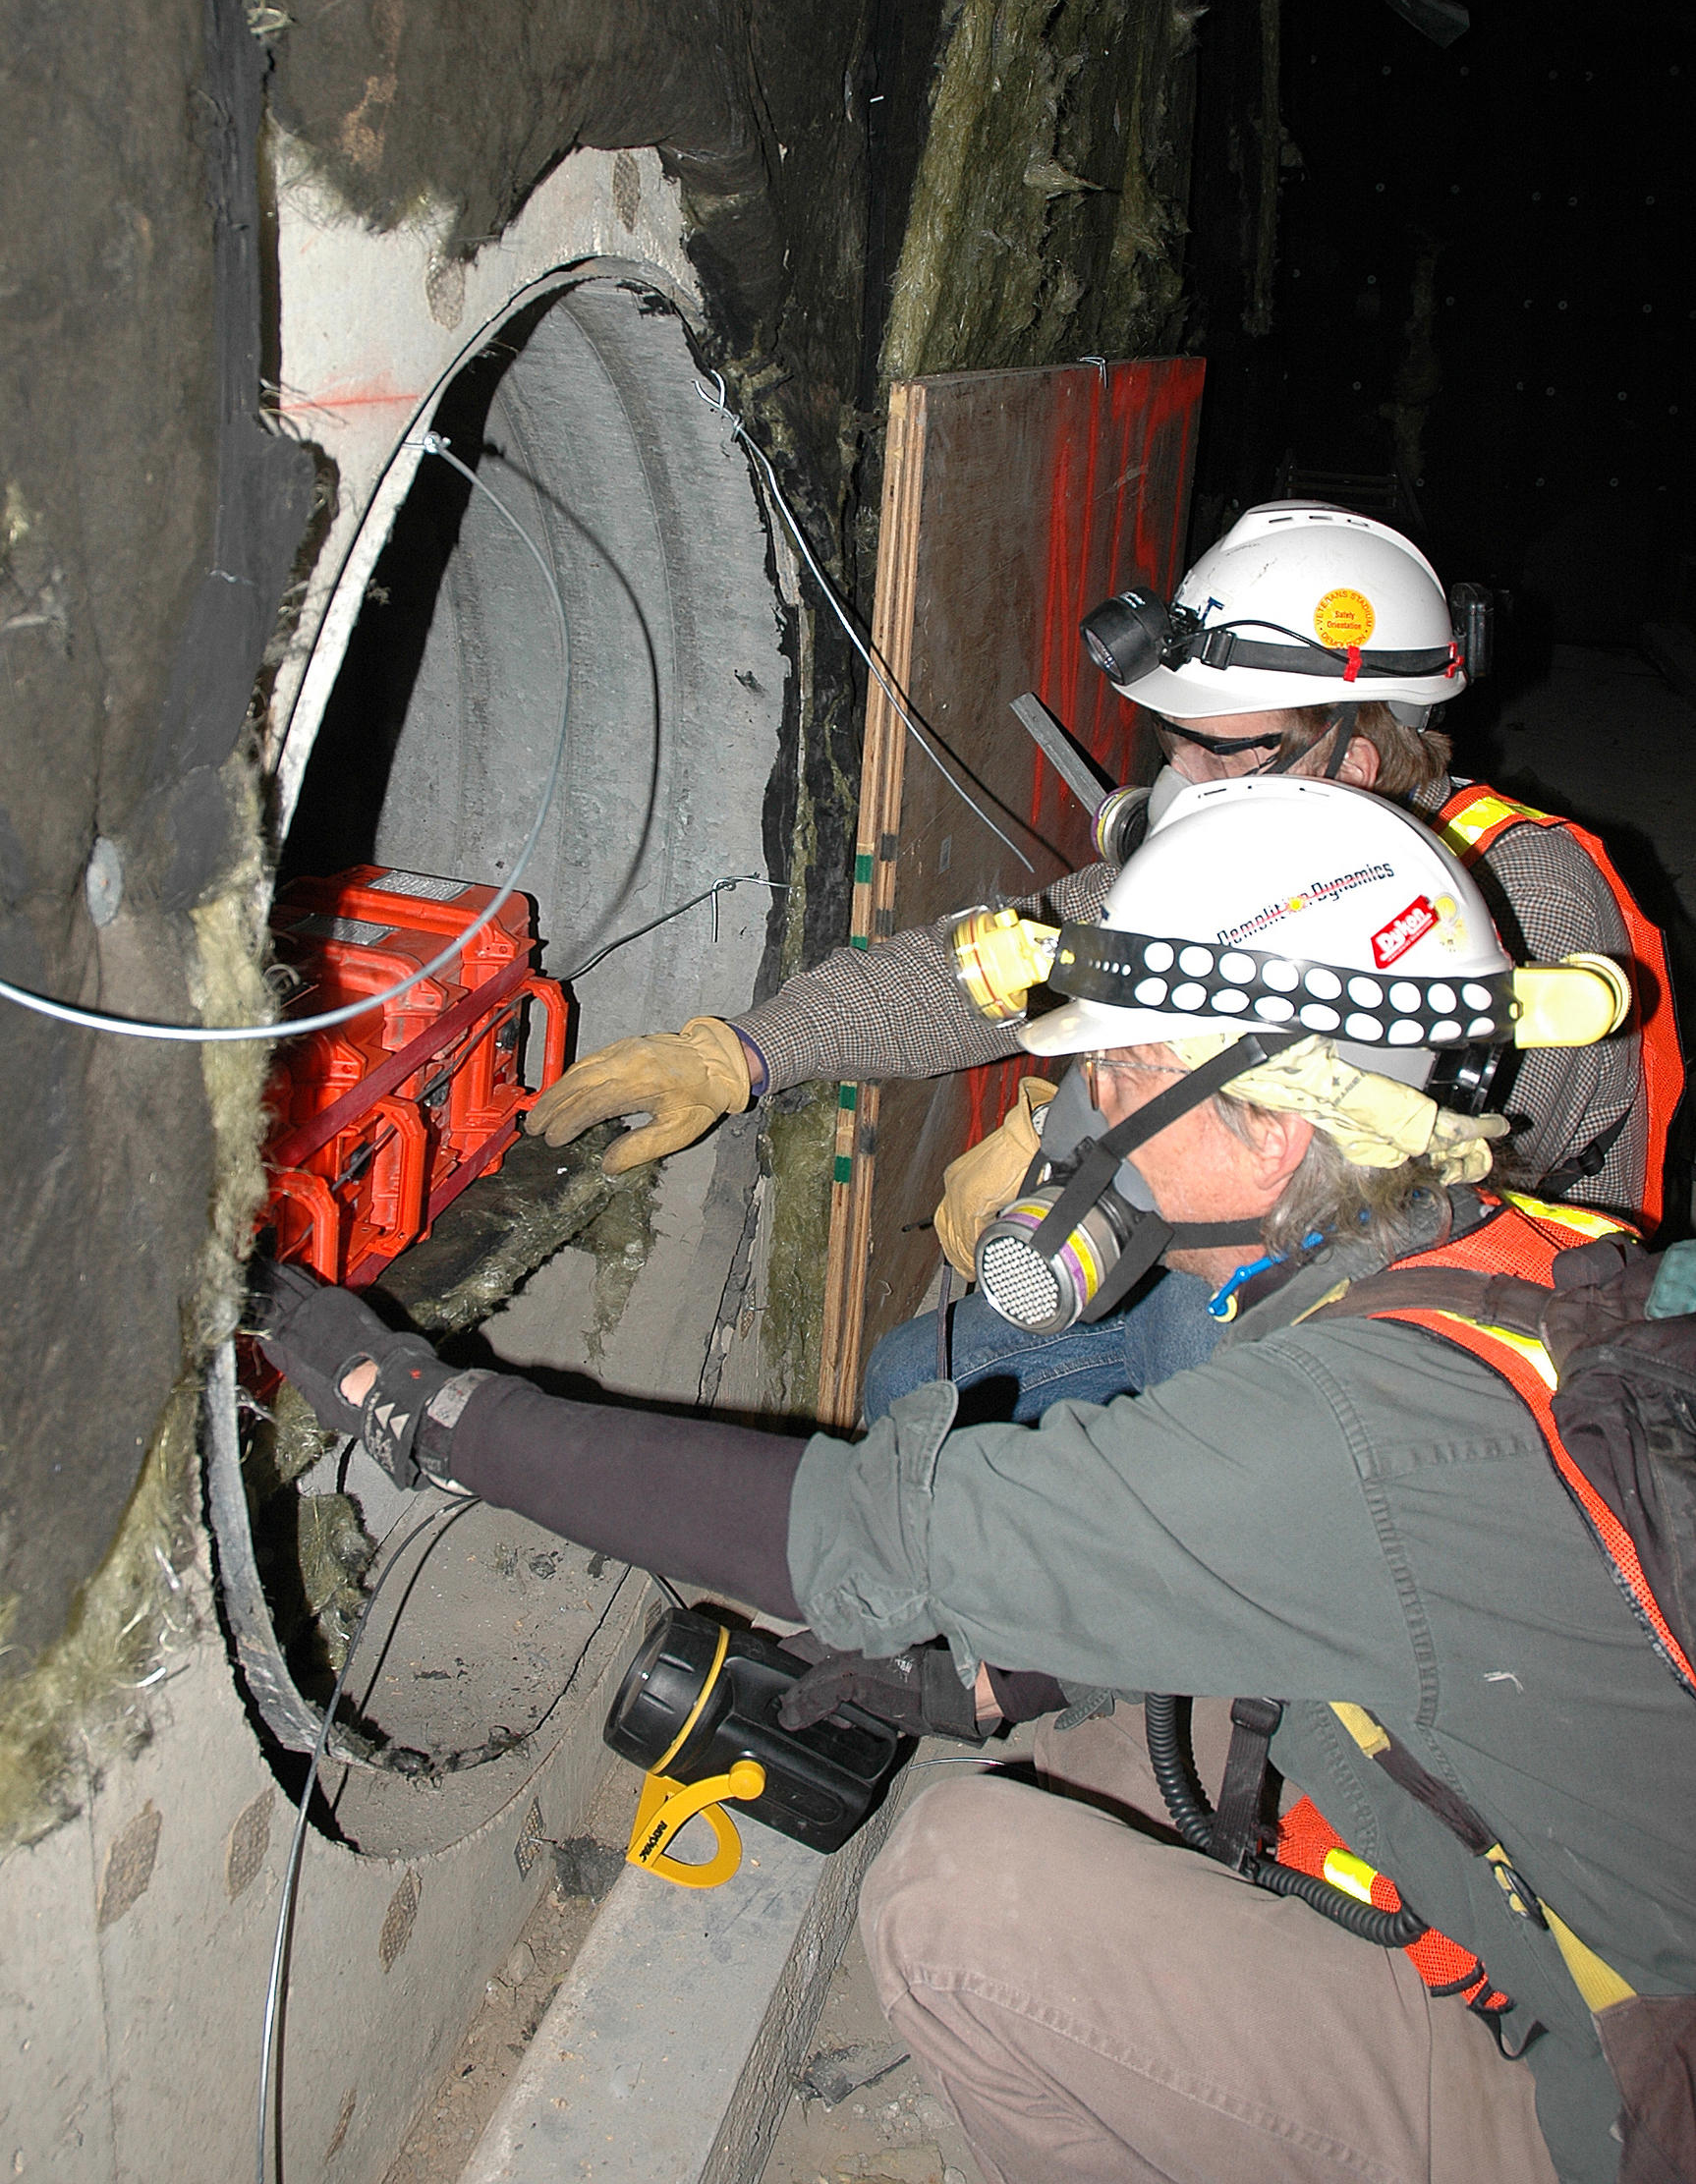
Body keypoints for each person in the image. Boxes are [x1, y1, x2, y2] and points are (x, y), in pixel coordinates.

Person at [254, 779, 1693, 2184]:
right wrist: (978, 1686)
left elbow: (869, 1532)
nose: (1080, 1120)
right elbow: (1299, 1576)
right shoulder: (1490, 1264)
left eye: (1120, 1073)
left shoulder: (1352, 1430)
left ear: (1279, 1126)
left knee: (961, 1892)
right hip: (1577, 1860)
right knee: (1090, 1744)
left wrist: (419, 1405)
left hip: (1630, 2103)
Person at [525, 502, 1675, 1428]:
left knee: (1143, 1495)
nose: (1180, 783)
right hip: (1191, 1229)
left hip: (1403, 1315)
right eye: (1171, 740)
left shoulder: (1523, 906)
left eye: (1220, 750)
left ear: (1356, 755)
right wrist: (745, 1052)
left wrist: (1077, 1121)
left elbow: (1388, 1168)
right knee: (912, 1393)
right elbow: (993, 965)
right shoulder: (1248, 841)